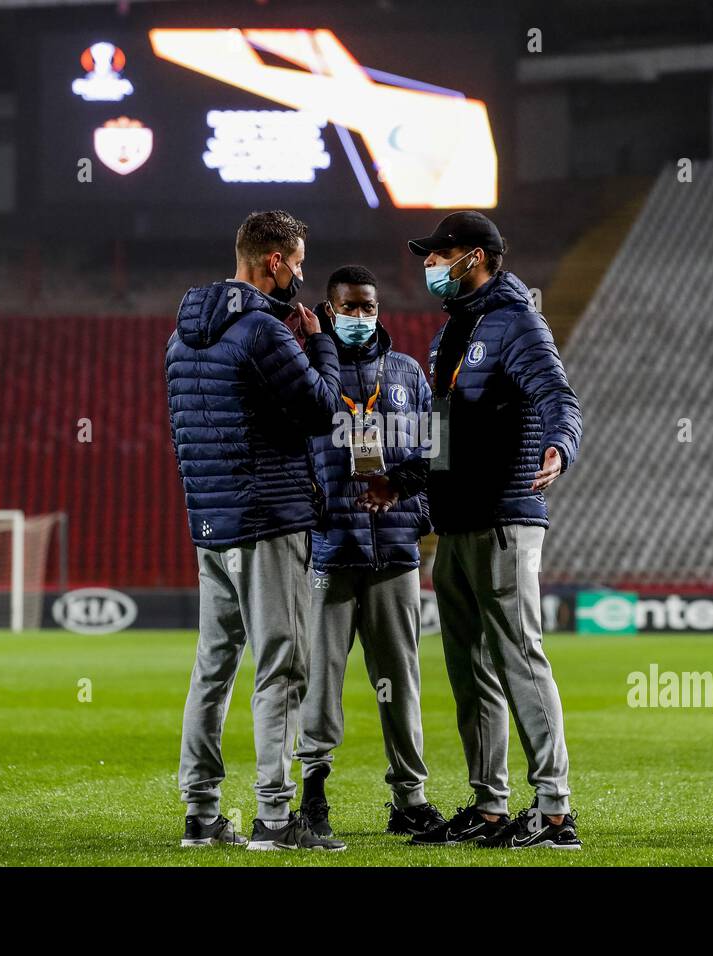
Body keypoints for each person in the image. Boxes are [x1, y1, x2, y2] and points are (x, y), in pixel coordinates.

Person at [360, 210, 584, 849]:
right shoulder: (454, 333)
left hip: (505, 517)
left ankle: (556, 811)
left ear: (476, 257)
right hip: (457, 524)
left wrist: (560, 447)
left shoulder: (517, 322)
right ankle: (490, 806)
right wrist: (401, 482)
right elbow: (446, 440)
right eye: (429, 255)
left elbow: (559, 399)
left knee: (519, 657)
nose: (430, 264)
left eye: (441, 254)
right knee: (471, 670)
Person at [165, 209, 345, 851]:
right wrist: (317, 342)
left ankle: (201, 813)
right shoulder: (264, 333)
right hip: (268, 521)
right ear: (274, 261)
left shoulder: (181, 337)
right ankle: (273, 817)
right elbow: (322, 411)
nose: (300, 275)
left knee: (212, 668)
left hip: (211, 526)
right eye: (297, 264)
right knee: (280, 666)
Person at [294, 265, 447, 841]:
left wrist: (422, 514)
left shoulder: (407, 372)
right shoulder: (311, 371)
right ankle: (312, 795)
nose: (361, 317)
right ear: (329, 311)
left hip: (396, 555)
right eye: (350, 308)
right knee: (320, 680)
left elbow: (439, 449)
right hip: (331, 550)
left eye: (369, 307)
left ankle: (410, 798)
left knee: (400, 679)